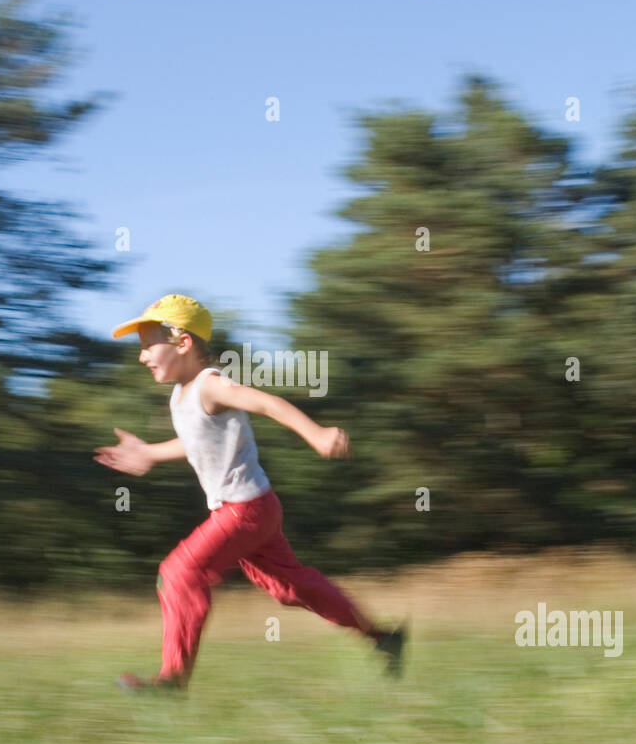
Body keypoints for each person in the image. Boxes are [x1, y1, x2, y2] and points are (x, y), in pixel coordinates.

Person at [95, 294, 406, 691]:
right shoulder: (182, 394)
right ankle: (383, 638)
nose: (141, 356)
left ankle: (173, 679)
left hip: (243, 511)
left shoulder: (211, 384)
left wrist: (317, 434)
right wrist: (150, 454)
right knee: (290, 588)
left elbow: (265, 402)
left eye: (147, 345)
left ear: (183, 343)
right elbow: (195, 442)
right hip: (253, 508)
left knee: (179, 573)